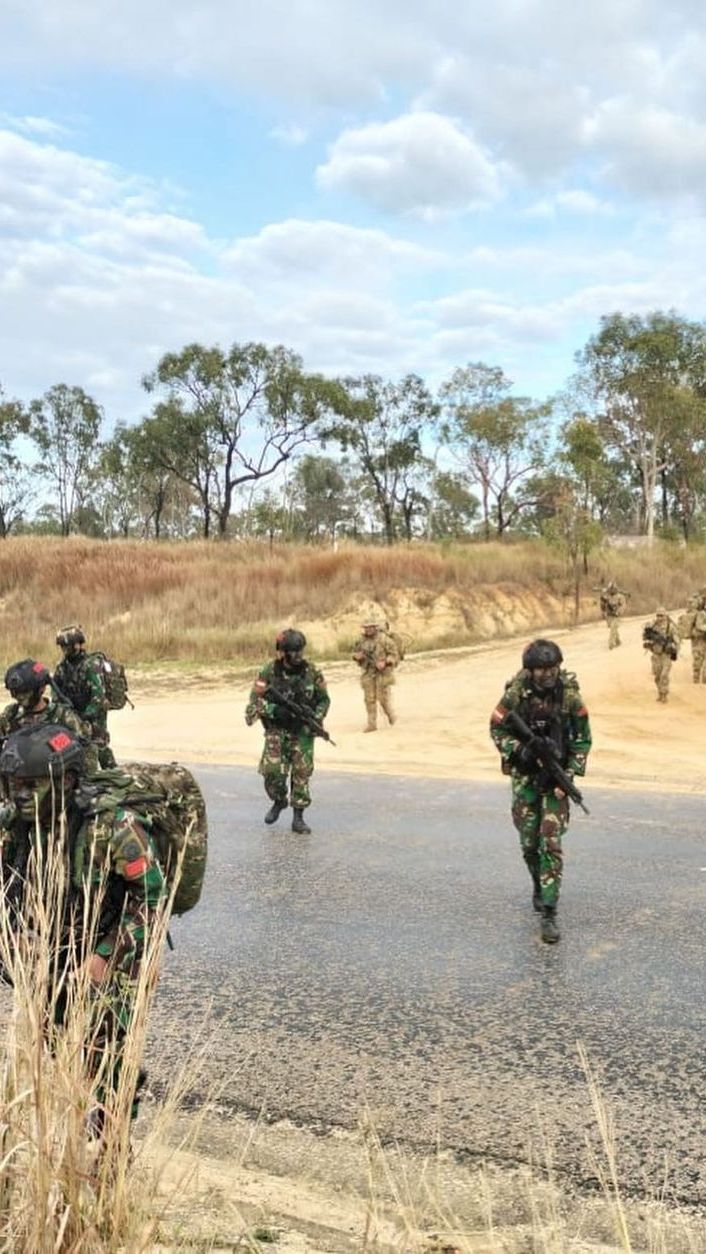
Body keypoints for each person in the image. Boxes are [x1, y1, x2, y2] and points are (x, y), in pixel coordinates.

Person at [0, 723, 167, 1141]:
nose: (19, 795)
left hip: (112, 949)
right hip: (51, 948)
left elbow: (150, 898)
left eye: (30, 785)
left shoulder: (112, 825)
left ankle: (114, 1143)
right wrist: (13, 934)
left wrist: (106, 955)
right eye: (11, 784)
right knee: (55, 1038)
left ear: (66, 780)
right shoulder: (14, 827)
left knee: (105, 1049)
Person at [489, 639, 592, 944]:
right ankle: (538, 882)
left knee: (550, 841)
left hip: (556, 778)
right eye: (541, 669)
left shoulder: (570, 697)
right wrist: (520, 751)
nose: (548, 674)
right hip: (525, 776)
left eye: (552, 668)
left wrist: (568, 778)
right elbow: (497, 727)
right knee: (528, 842)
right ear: (530, 671)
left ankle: (549, 910)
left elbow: (583, 741)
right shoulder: (516, 693)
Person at [245, 629, 330, 834]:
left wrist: (315, 719)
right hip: (277, 730)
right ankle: (279, 800)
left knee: (302, 773)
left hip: (302, 731)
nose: (298, 656)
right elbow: (254, 703)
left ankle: (298, 818)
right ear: (282, 653)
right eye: (293, 652)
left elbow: (324, 700)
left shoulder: (312, 672)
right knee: (272, 773)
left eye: (300, 651)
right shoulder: (268, 672)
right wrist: (275, 710)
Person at [0, 657, 100, 772]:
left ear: (41, 689)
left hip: (52, 782)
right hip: (16, 780)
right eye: (15, 693)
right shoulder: (11, 715)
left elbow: (86, 750)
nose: (19, 697)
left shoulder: (63, 716)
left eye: (25, 692)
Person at [54, 625, 116, 767]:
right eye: (62, 646)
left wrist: (86, 716)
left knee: (99, 746)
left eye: (67, 646)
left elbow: (98, 696)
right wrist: (62, 712)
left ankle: (113, 773)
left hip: (93, 714)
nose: (64, 649)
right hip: (72, 713)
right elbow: (56, 692)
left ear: (77, 645)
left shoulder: (91, 665)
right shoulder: (62, 667)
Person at [352, 618, 399, 732]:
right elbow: (355, 653)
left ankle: (391, 715)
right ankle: (371, 724)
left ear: (375, 627)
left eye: (370, 627)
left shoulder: (384, 640)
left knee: (383, 699)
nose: (368, 630)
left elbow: (394, 655)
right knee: (369, 699)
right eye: (366, 627)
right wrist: (357, 657)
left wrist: (385, 662)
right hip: (368, 672)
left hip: (383, 673)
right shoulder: (361, 641)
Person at [642, 608, 680, 703]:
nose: (659, 617)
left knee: (664, 675)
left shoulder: (670, 627)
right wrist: (648, 641)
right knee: (657, 676)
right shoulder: (652, 626)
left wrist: (674, 650)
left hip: (665, 655)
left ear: (665, 616)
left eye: (661, 615)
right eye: (658, 615)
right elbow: (645, 637)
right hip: (655, 654)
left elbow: (677, 641)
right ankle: (660, 693)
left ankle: (664, 694)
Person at [678, 591, 706, 683]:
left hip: (700, 639)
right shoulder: (701, 614)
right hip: (699, 639)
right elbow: (699, 626)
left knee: (699, 659)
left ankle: (701, 679)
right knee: (698, 659)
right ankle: (697, 680)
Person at [597, 580, 627, 649]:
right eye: (610, 589)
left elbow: (623, 606)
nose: (611, 590)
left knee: (613, 627)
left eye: (612, 589)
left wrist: (618, 612)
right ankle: (618, 641)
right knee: (613, 628)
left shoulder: (620, 596)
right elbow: (603, 605)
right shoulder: (607, 595)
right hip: (609, 615)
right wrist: (602, 599)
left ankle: (611, 643)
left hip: (616, 615)